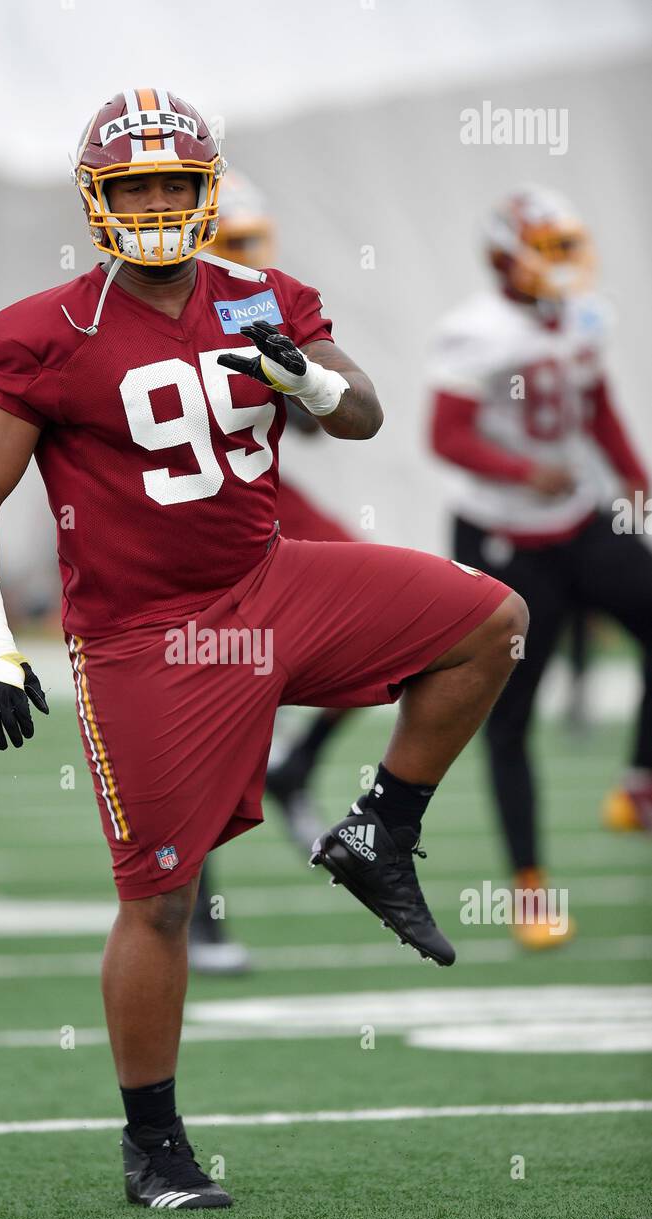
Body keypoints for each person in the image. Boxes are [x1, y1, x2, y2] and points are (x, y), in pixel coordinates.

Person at [0, 89, 525, 1209]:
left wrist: (301, 379)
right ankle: (152, 1145)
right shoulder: (46, 329)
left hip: (270, 580)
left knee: (488, 621)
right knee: (160, 897)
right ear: (97, 200)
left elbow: (360, 413)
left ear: (206, 190)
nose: (157, 203)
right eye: (134, 186)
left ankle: (377, 831)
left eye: (174, 183)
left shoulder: (263, 292)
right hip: (144, 634)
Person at [428, 186, 652, 948]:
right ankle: (528, 888)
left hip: (577, 515)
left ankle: (637, 786)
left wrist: (634, 480)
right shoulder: (474, 332)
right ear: (504, 256)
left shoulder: (586, 316)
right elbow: (446, 437)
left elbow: (596, 406)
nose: (562, 265)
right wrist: (522, 474)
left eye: (565, 248)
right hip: (503, 536)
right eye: (547, 250)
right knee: (509, 714)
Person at [189, 168, 359, 974]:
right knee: (198, 716)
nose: (243, 267)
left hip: (260, 496)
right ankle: (196, 908)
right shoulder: (129, 312)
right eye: (232, 247)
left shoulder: (257, 301)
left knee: (395, 616)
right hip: (176, 526)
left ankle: (295, 766)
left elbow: (325, 428)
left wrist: (296, 379)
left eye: (252, 248)